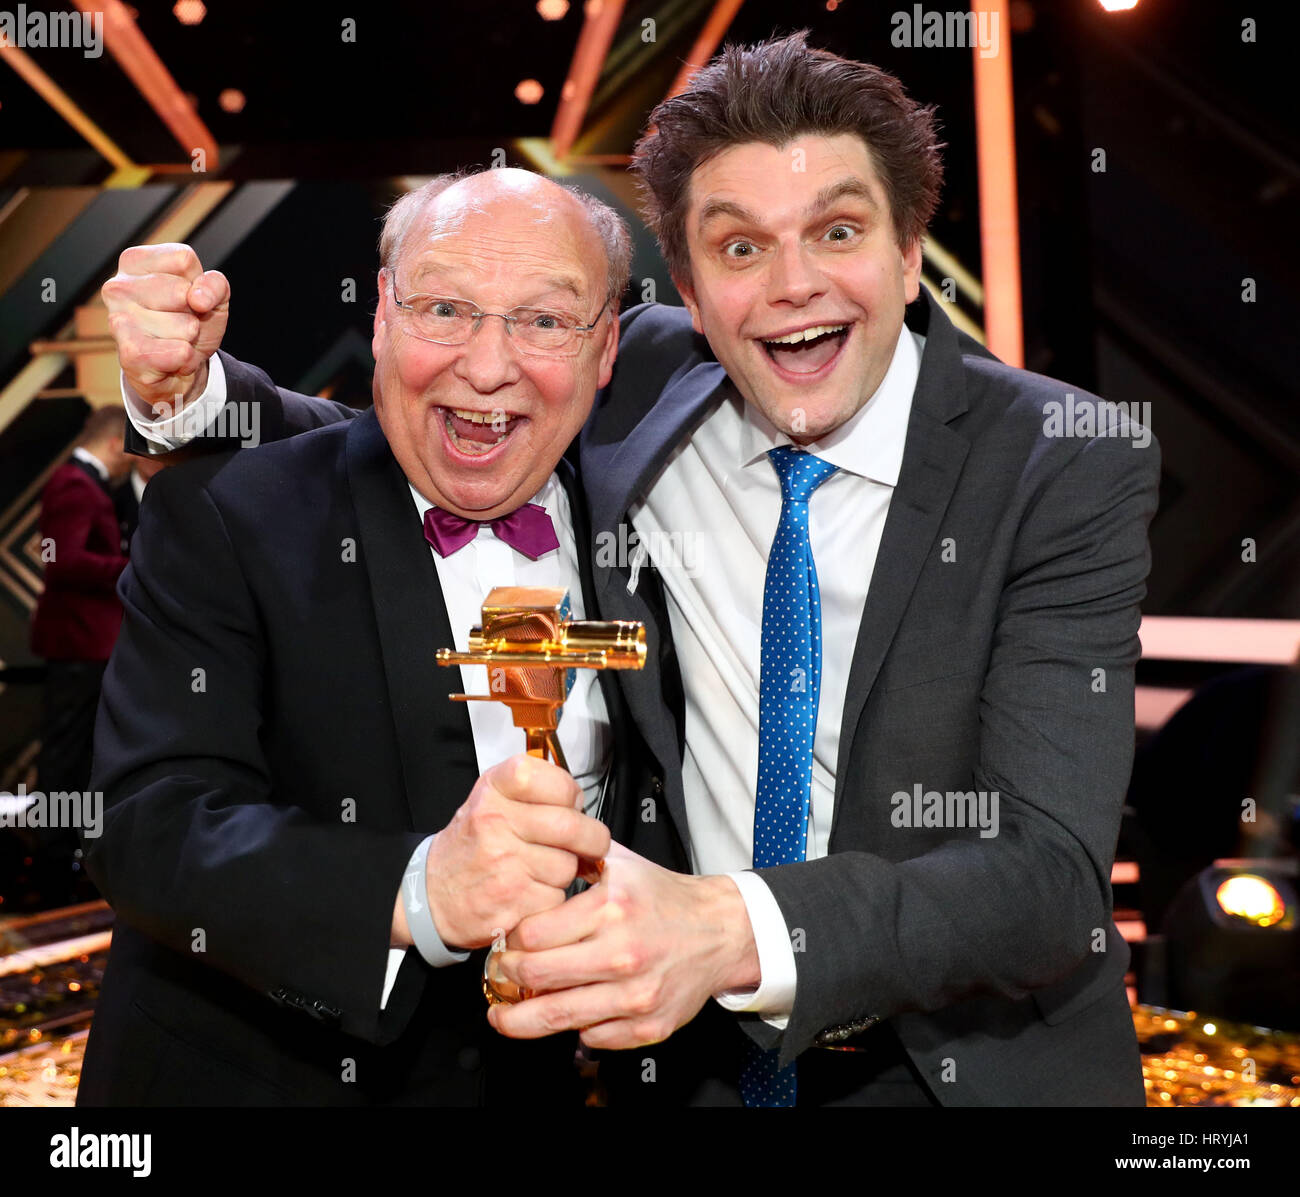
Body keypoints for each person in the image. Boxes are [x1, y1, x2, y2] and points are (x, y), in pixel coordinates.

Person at [111, 33, 1160, 1107]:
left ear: (906, 253)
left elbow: (1045, 876)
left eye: (837, 231)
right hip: (681, 1074)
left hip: (962, 1075)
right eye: (738, 247)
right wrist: (193, 396)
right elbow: (402, 430)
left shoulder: (1056, 461)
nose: (793, 285)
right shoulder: (659, 383)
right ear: (688, 298)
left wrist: (723, 930)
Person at [78, 169, 635, 1105]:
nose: (488, 365)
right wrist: (419, 891)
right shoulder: (230, 515)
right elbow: (145, 828)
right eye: (445, 308)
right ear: (381, 315)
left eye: (543, 320)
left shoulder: (641, 509)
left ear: (605, 345)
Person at [28, 407, 133, 905]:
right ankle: (54, 860)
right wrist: (134, 566)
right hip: (79, 643)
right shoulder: (74, 484)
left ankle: (68, 854)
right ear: (115, 443)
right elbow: (63, 563)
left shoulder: (75, 483)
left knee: (78, 754)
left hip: (85, 644)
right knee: (67, 754)